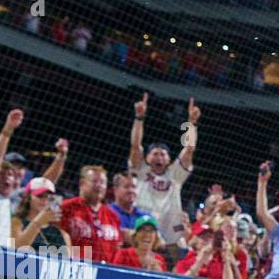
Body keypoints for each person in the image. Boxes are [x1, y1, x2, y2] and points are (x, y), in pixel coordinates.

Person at [128, 92, 198, 248]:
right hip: (141, 229)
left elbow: (189, 149)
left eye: (163, 154)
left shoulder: (175, 174)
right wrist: (139, 118)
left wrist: (192, 123)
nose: (159, 157)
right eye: (155, 153)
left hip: (169, 235)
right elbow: (135, 145)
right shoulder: (141, 170)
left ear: (169, 160)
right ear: (147, 158)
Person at [59, 165, 122, 264]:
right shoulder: (66, 208)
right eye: (94, 181)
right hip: (76, 268)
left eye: (102, 182)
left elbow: (117, 249)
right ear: (82, 183)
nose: (99, 185)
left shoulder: (113, 216)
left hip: (107, 272)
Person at [10, 177, 72, 255]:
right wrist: (38, 222)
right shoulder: (16, 221)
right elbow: (15, 250)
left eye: (48, 196)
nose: (44, 200)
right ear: (28, 197)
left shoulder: (57, 226)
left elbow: (69, 258)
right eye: (40, 196)